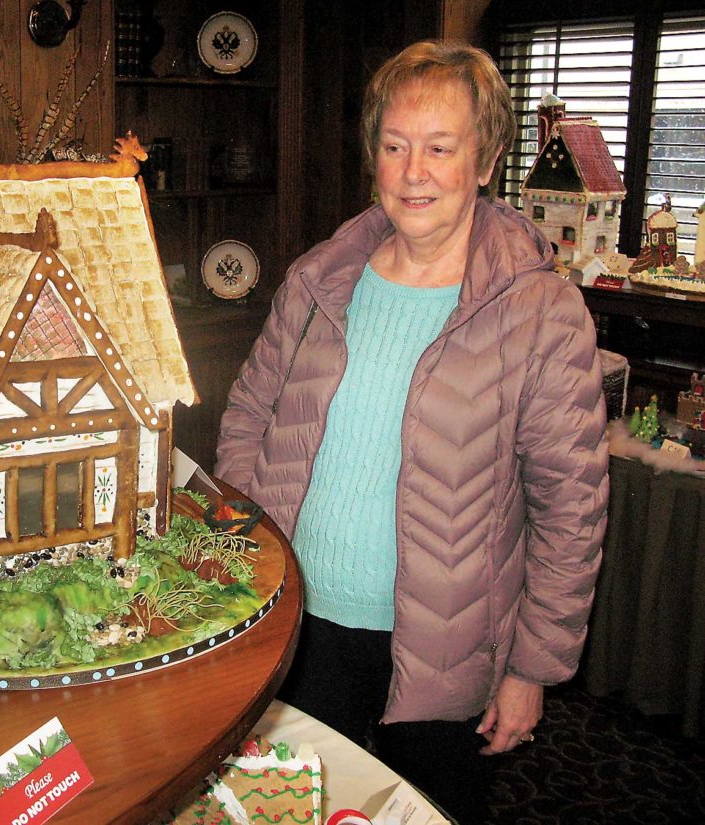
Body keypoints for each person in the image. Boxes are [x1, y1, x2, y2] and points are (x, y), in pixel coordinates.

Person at [216, 41, 609, 822]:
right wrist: (240, 556)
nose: (414, 171)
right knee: (284, 807)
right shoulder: (318, 280)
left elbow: (572, 511)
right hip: (298, 622)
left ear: (487, 157)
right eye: (395, 147)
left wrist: (530, 666)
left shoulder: (541, 314)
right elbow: (247, 420)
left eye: (440, 147)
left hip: (444, 650)